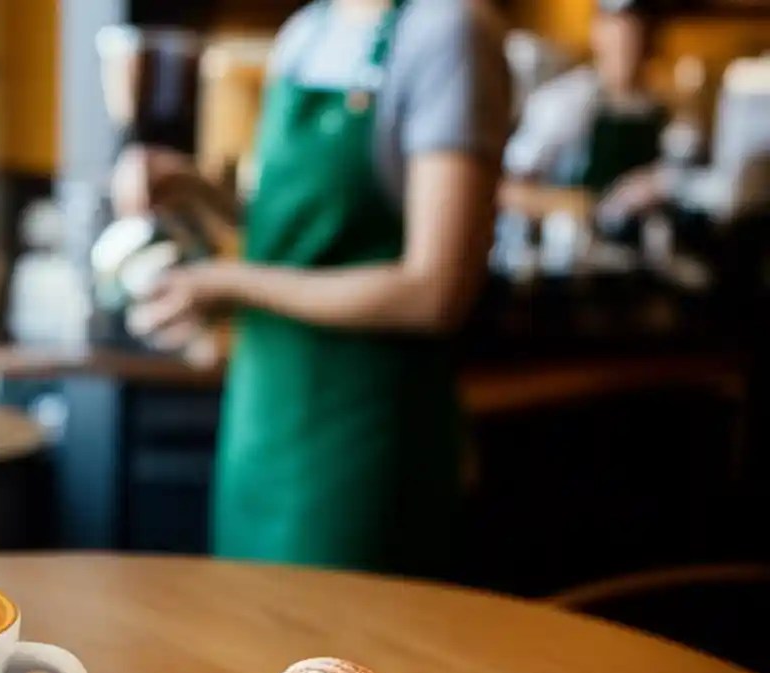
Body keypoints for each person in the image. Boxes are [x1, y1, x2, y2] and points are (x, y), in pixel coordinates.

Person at [114, 0, 510, 575]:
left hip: (363, 446)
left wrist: (230, 284)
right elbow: (290, 230)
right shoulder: (305, 35)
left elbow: (435, 292)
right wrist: (191, 186)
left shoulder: (448, 33)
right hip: (261, 426)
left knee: (348, 661)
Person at [505, 0, 667, 200]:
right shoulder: (564, 102)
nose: (628, 37)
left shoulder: (659, 108)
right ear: (595, 31)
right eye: (617, 26)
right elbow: (510, 190)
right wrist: (582, 206)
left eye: (637, 26)